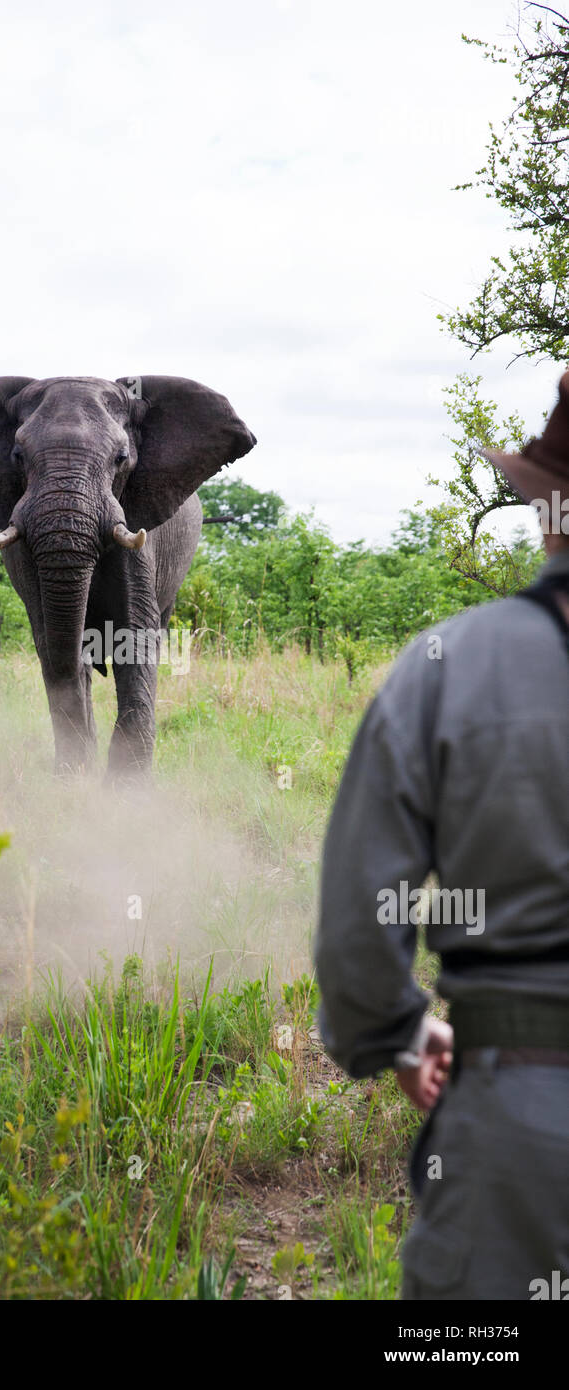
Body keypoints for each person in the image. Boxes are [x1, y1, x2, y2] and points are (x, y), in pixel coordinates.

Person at [315, 371, 569, 1300]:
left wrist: (393, 1029)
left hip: (515, 1118)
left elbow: (357, 922)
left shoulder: (449, 664)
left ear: (548, 510)